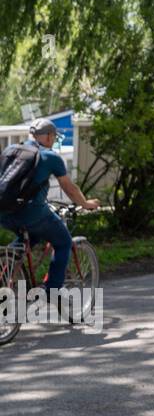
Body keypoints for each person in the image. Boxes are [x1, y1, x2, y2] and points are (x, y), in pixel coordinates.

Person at [0, 118, 101, 307]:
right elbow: (69, 189)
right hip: (32, 213)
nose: (54, 141)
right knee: (63, 242)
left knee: (30, 237)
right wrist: (86, 203)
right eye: (54, 137)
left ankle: (7, 269)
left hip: (4, 213)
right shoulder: (50, 157)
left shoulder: (10, 150)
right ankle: (51, 291)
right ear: (47, 136)